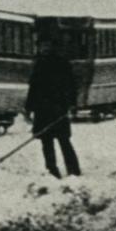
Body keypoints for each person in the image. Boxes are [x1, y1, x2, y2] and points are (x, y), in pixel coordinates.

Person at [25, 30, 81, 178]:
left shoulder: (61, 63)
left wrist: (71, 104)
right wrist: (28, 108)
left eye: (46, 46)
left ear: (52, 47)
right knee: (46, 142)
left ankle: (73, 169)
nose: (43, 48)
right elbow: (34, 88)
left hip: (57, 109)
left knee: (63, 141)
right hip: (42, 109)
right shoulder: (39, 63)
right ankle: (52, 169)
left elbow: (71, 85)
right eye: (41, 46)